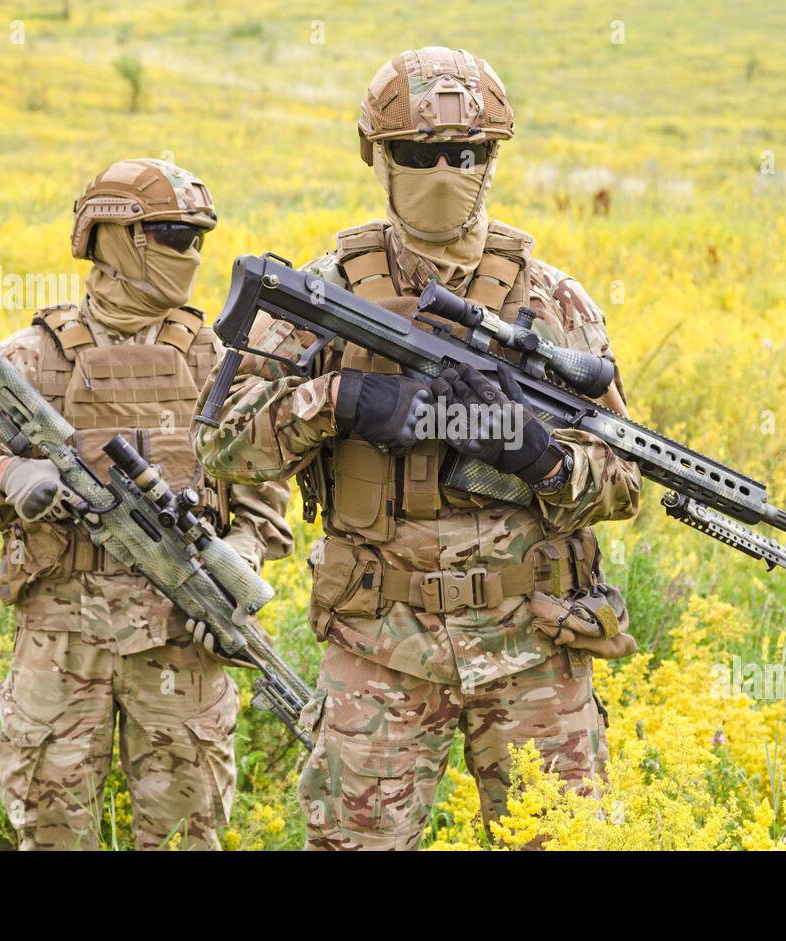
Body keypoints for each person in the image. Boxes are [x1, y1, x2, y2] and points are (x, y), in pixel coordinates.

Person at [193, 47, 641, 850]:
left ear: (492, 160)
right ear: (378, 156)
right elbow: (223, 447)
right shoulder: (320, 294)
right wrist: (340, 399)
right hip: (379, 652)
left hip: (537, 646)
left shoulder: (556, 304)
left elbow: (626, 478)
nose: (442, 169)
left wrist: (540, 456)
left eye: (463, 154)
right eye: (416, 151)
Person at [0, 158, 292, 850]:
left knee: (186, 837)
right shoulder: (35, 357)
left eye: (195, 236)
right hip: (62, 641)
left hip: (182, 640)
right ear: (116, 237)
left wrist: (239, 556)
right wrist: (8, 474)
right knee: (54, 835)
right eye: (172, 233)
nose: (189, 252)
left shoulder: (217, 361)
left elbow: (266, 493)